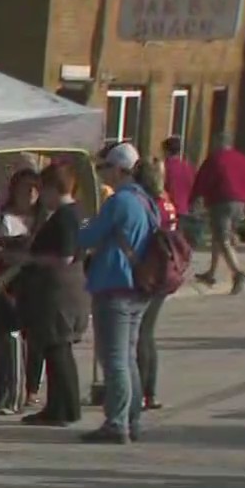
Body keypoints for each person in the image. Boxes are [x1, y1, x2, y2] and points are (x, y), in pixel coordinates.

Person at [76, 142, 158, 444]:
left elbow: (87, 234)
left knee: (114, 359)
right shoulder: (146, 200)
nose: (102, 174)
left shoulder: (120, 201)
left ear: (119, 170)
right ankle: (131, 419)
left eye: (105, 168)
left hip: (115, 284)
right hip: (139, 286)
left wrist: (83, 217)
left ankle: (116, 423)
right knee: (128, 356)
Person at [17, 162, 89, 429]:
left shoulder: (66, 216)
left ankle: (64, 408)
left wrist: (32, 258)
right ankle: (60, 406)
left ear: (51, 189)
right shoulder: (78, 212)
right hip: (69, 288)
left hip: (59, 290)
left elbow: (65, 256)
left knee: (57, 347)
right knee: (58, 348)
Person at [0, 169, 40, 415]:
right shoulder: (2, 216)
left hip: (26, 284)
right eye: (25, 187)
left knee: (22, 339)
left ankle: (20, 393)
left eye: (35, 188)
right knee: (0, 339)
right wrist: (3, 253)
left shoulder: (41, 218)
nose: (30, 193)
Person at [134, 157, 178, 414]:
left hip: (153, 271)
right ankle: (149, 391)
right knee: (147, 333)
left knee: (142, 333)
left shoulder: (152, 205)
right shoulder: (166, 201)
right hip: (164, 271)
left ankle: (144, 391)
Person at [192, 132, 245, 295]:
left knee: (223, 239)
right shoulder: (243, 159)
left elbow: (203, 179)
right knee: (218, 237)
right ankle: (211, 273)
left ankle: (238, 273)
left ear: (218, 142)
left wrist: (194, 198)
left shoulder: (215, 159)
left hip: (221, 200)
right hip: (241, 202)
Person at [160, 135, 195, 221]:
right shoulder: (188, 168)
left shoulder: (164, 167)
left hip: (168, 211)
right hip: (185, 210)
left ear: (166, 151)